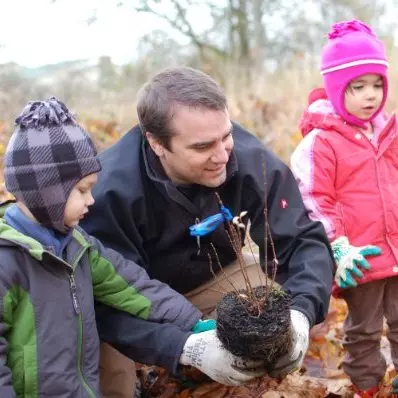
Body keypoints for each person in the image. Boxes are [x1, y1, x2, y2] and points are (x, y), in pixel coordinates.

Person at [81, 65, 335, 396]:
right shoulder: (109, 191)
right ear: (156, 143)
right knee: (100, 359)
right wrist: (185, 347)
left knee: (274, 301)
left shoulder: (249, 160)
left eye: (226, 136)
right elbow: (104, 304)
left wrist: (301, 315)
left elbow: (303, 241)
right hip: (135, 297)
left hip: (210, 279)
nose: (222, 156)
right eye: (202, 147)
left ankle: (234, 385)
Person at [0, 97, 245, 397]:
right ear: (46, 194)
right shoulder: (7, 262)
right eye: (81, 191)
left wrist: (194, 324)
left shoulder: (79, 247)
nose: (91, 200)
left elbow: (135, 287)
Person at [291, 19, 398, 397]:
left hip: (397, 247)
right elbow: (315, 198)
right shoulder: (323, 142)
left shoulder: (390, 131)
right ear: (339, 89)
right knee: (365, 328)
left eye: (377, 85)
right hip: (361, 253)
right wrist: (339, 245)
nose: (370, 96)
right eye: (358, 87)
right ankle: (368, 385)